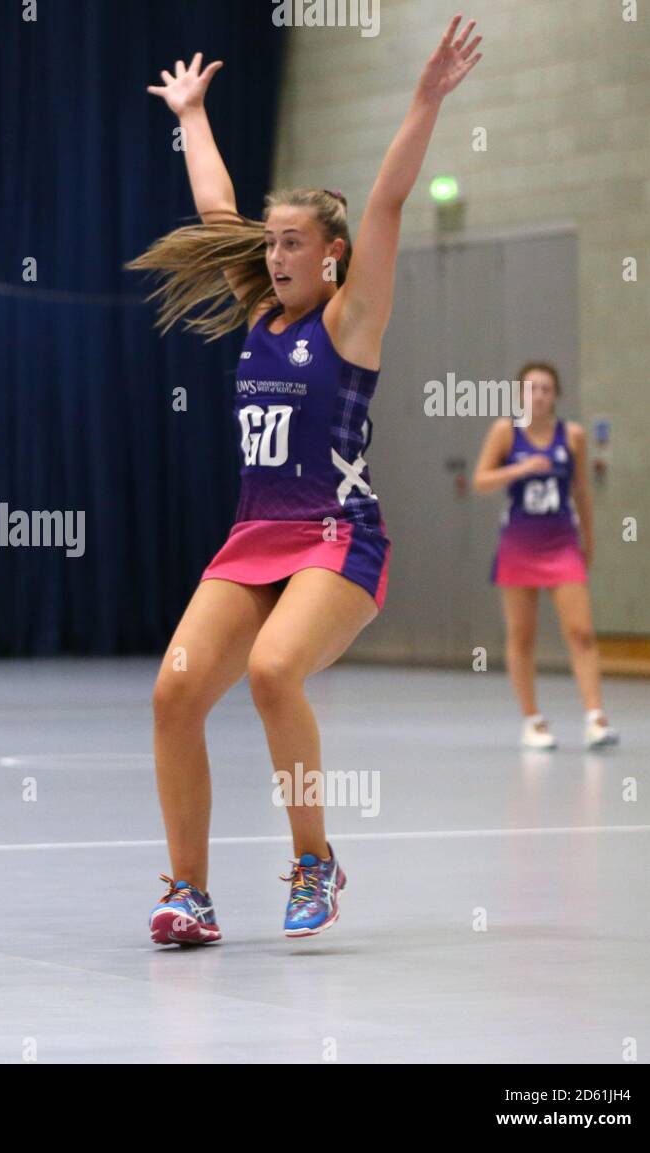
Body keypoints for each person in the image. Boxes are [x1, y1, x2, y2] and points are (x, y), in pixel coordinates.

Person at [128, 18, 482, 943]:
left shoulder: (352, 318)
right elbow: (216, 211)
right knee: (173, 692)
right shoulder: (259, 311)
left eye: (292, 243)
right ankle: (189, 894)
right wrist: (193, 114)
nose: (275, 255)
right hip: (255, 539)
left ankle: (314, 860)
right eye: (271, 243)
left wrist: (426, 98)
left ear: (329, 254)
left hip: (338, 537)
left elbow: (392, 203)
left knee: (276, 671)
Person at [472, 362, 619, 749]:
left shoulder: (572, 436)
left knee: (581, 631)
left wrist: (589, 539)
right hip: (519, 544)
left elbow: (582, 491)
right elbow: (481, 480)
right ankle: (532, 719)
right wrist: (518, 471)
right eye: (532, 388)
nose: (538, 396)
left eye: (546, 389)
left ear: (556, 395)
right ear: (520, 393)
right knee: (522, 635)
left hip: (562, 543)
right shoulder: (506, 432)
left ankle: (595, 717)